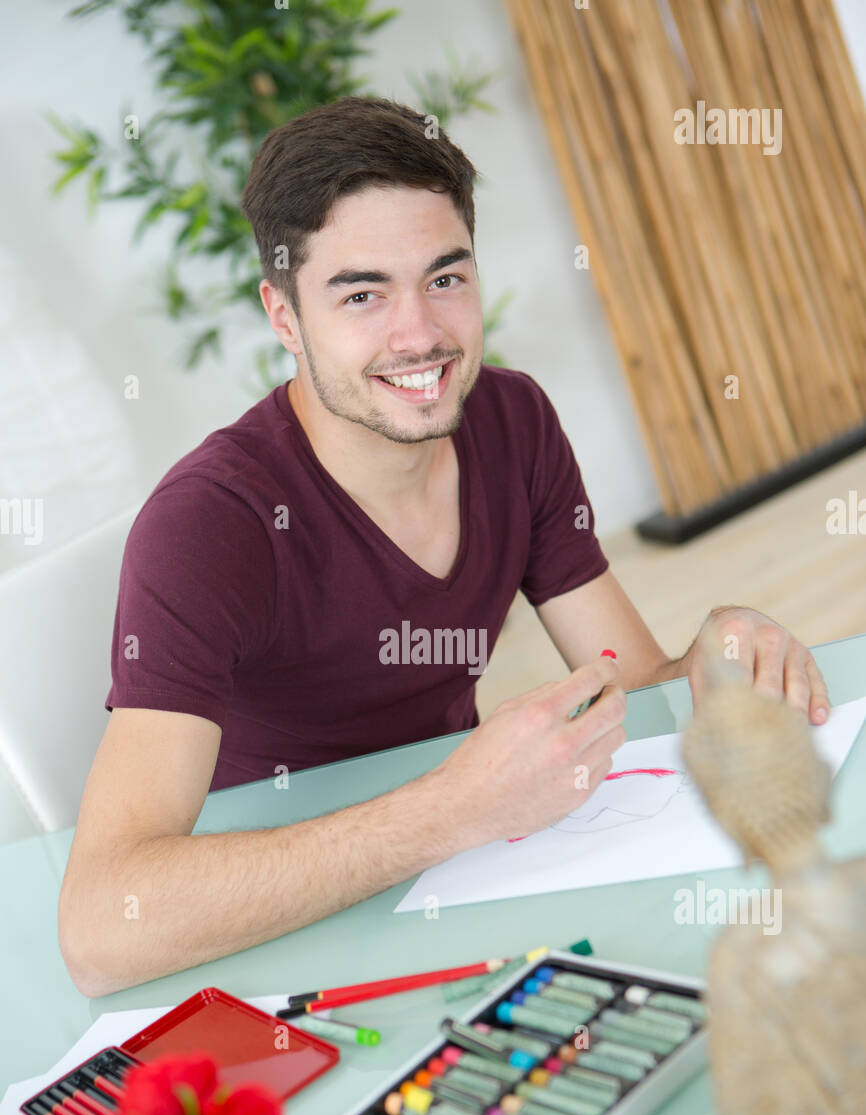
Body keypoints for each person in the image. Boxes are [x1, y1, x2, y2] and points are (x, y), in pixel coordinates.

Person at [58, 97, 830, 997]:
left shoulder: (514, 420)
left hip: (465, 888)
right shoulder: (208, 525)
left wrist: (716, 645)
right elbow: (101, 928)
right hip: (271, 945)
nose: (420, 333)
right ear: (283, 315)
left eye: (446, 278)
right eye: (361, 294)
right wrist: (453, 810)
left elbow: (627, 682)